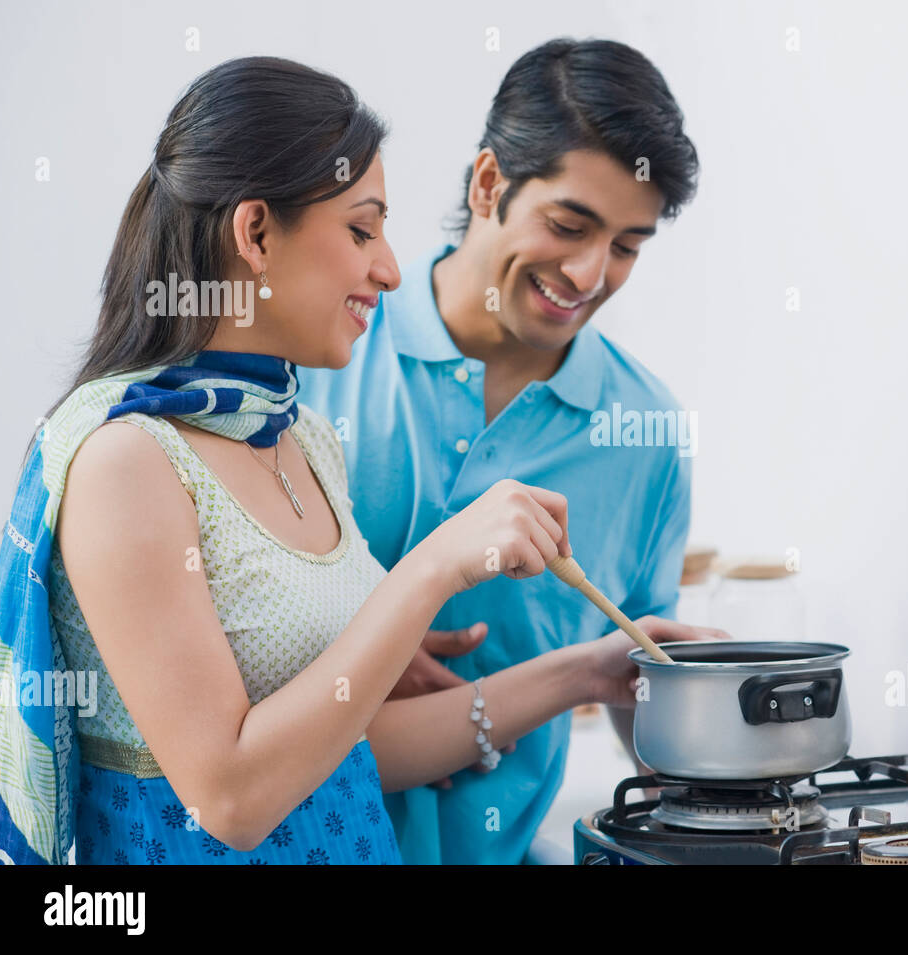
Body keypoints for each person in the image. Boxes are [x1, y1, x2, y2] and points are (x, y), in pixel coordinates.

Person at [0, 55, 718, 866]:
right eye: (361, 229)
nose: (389, 267)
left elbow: (352, 737)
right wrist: (427, 575)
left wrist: (588, 672)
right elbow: (230, 794)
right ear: (256, 233)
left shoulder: (296, 437)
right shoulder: (132, 456)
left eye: (626, 245)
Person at [302, 37, 702, 863]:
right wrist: (365, 633)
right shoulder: (319, 356)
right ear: (489, 184)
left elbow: (634, 680)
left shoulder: (648, 433)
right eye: (569, 224)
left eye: (627, 246)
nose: (590, 273)